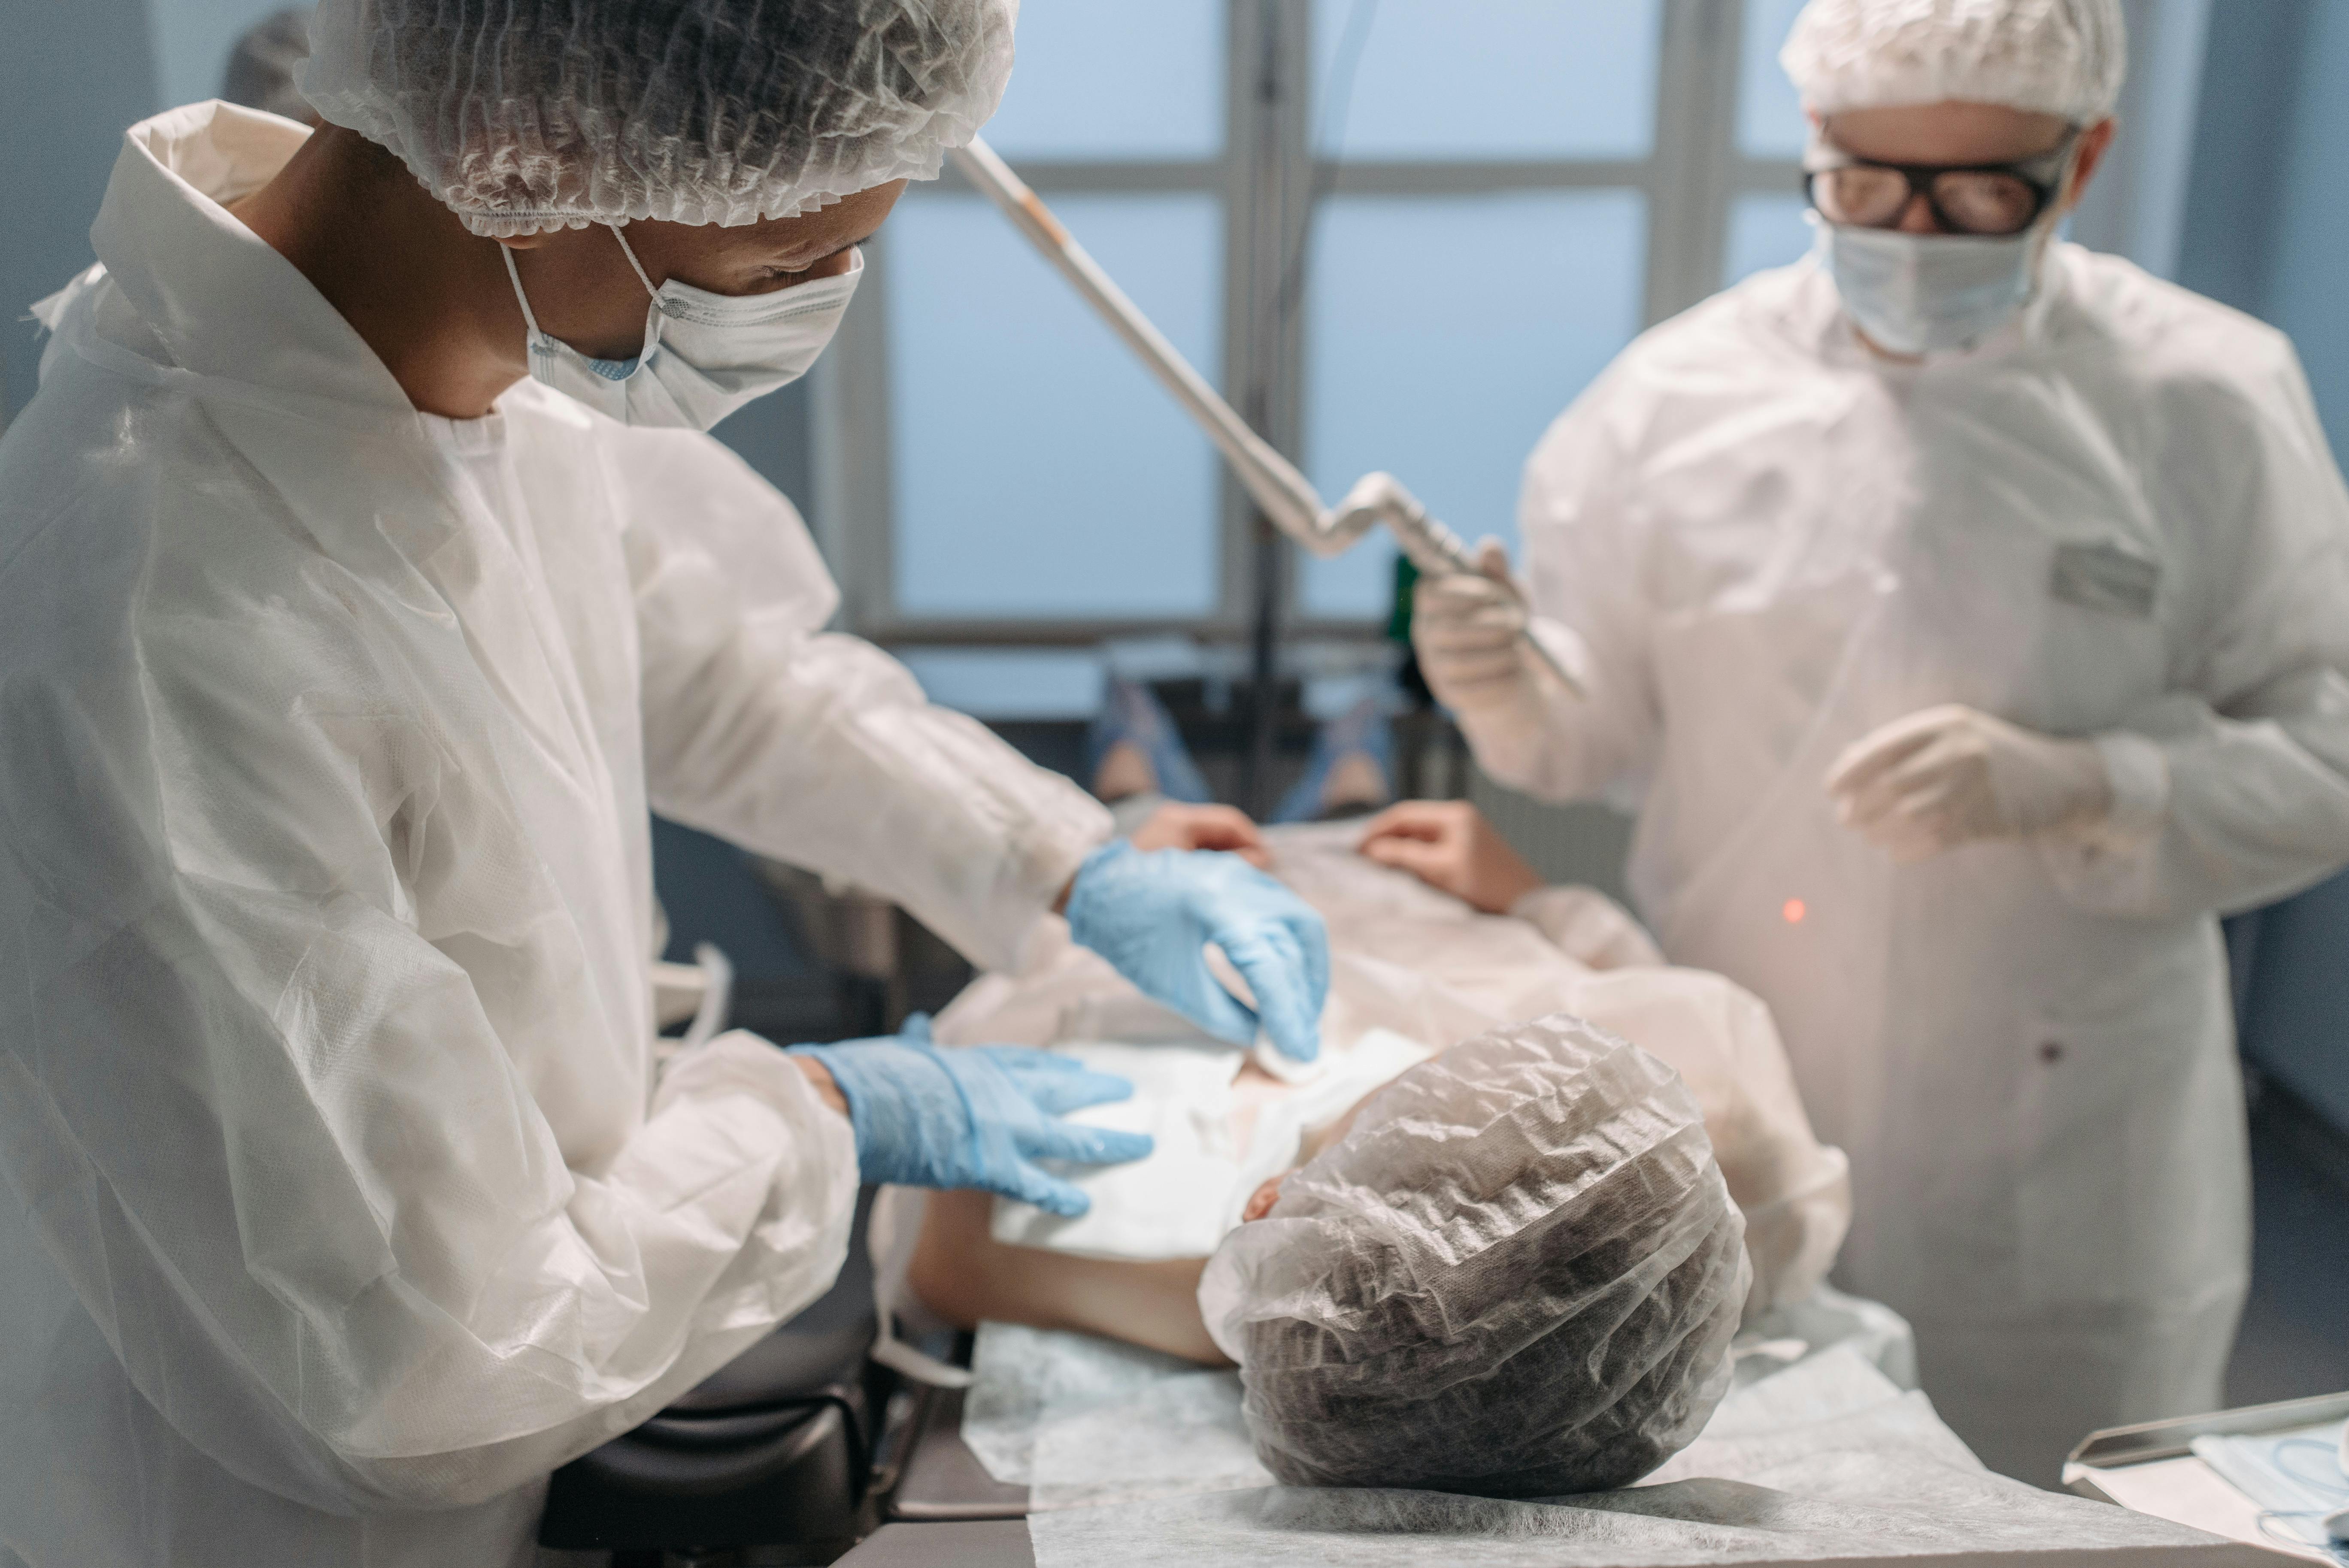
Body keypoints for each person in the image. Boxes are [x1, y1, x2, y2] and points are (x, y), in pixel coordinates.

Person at [0, 4, 1330, 1565]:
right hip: (254, 1517)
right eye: (780, 272)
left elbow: (734, 673)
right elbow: (424, 1362)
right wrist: (824, 1115)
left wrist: (1067, 861)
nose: (806, 312)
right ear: (531, 150)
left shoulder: (496, 357)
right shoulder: (153, 609)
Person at [1409, 0, 2349, 1482]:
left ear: (2083, 158)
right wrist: (1498, 676)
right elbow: (1575, 740)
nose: (1912, 235)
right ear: (1810, 143)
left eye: (1977, 195)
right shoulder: (1670, 404)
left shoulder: (2205, 399)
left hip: (2071, 1148)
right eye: (1863, 183)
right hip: (1746, 1101)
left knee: (2066, 1507)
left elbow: (2331, 753)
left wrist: (2091, 782)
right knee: (1748, 1492)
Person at [905, 808, 1848, 1369]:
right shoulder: (1716, 1151)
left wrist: (1090, 892)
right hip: (1432, 897)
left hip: (1213, 886)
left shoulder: (1153, 1243)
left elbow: (948, 1200)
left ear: (1266, 1207)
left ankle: (1143, 755)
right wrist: (1527, 897)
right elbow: (1648, 1007)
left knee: (1158, 796)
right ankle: (1343, 768)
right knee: (1362, 805)